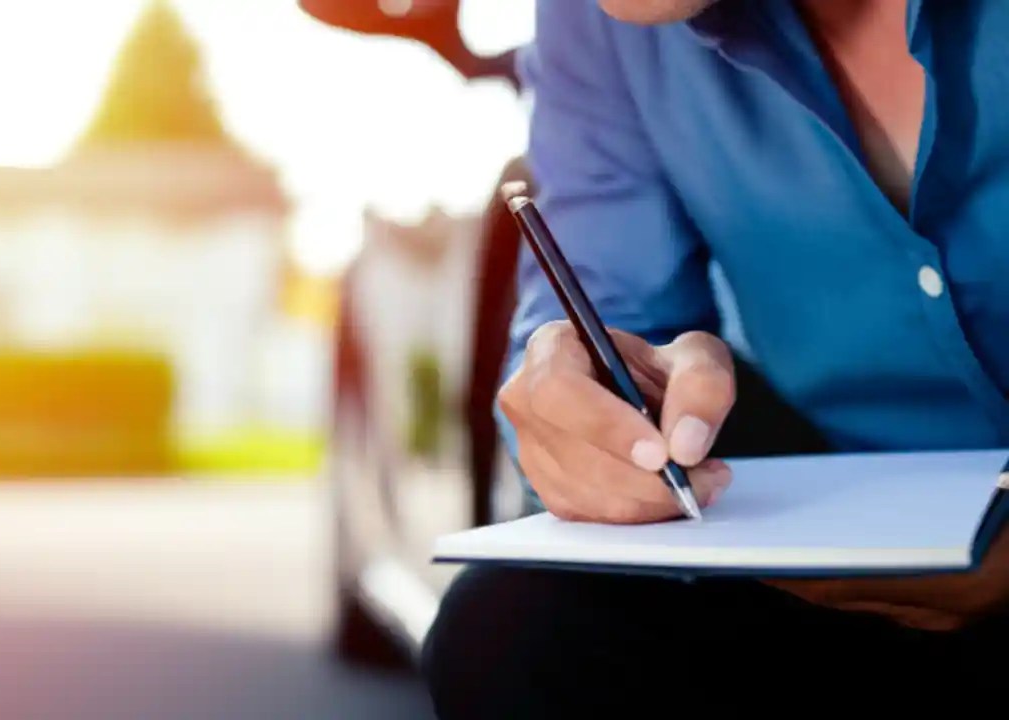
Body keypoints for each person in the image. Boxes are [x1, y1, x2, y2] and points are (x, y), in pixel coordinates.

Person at [423, 0, 1009, 715]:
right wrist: (586, 426)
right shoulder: (593, 22)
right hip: (862, 582)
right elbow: (603, 318)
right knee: (511, 628)